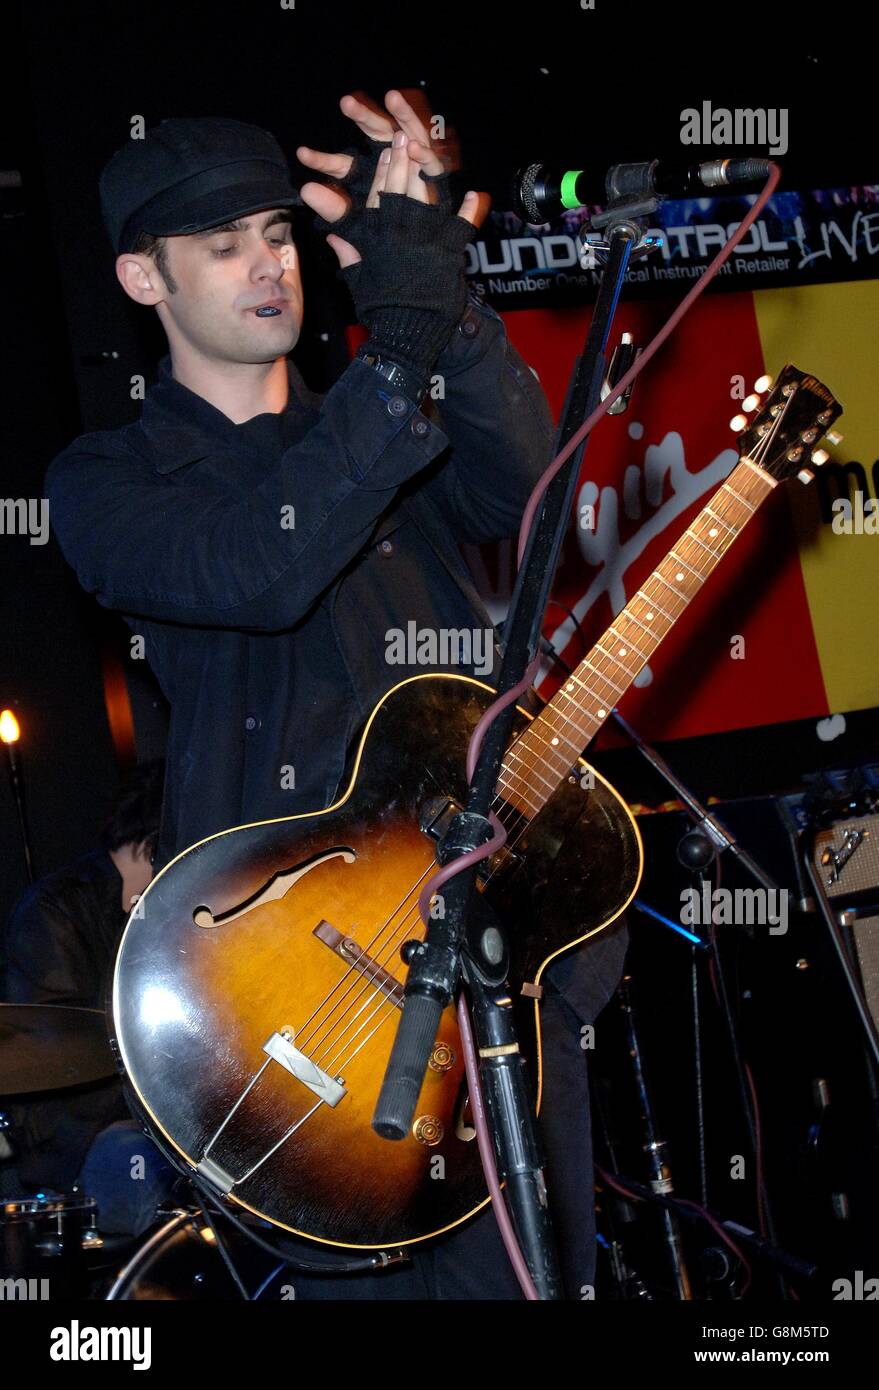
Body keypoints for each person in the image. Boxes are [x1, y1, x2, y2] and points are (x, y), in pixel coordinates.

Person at [45, 91, 628, 1297]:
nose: (268, 265)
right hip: (296, 1005)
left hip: (487, 970)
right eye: (222, 247)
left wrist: (443, 299)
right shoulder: (108, 479)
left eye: (276, 232)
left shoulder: (379, 427)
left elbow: (533, 491)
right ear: (143, 282)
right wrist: (397, 350)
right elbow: (263, 566)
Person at [2, 759, 179, 1234]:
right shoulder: (55, 912)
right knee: (150, 1176)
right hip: (78, 1138)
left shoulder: (169, 912)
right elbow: (61, 1058)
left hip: (150, 1119)